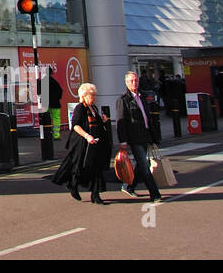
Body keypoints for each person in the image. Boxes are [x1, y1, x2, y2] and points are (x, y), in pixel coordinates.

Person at [50, 82, 110, 204]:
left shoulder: (93, 108)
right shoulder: (80, 108)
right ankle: (73, 186)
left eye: (94, 95)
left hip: (94, 144)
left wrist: (103, 120)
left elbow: (96, 124)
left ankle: (95, 195)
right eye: (91, 95)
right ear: (84, 95)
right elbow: (76, 126)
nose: (94, 98)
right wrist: (87, 136)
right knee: (78, 167)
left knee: (96, 168)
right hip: (81, 144)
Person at [115, 71, 161, 202]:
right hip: (134, 137)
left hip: (145, 135)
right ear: (126, 83)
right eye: (131, 81)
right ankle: (155, 193)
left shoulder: (143, 96)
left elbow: (148, 117)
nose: (134, 83)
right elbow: (121, 121)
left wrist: (154, 136)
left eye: (135, 80)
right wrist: (123, 140)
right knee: (144, 166)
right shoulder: (123, 100)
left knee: (140, 165)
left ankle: (129, 186)